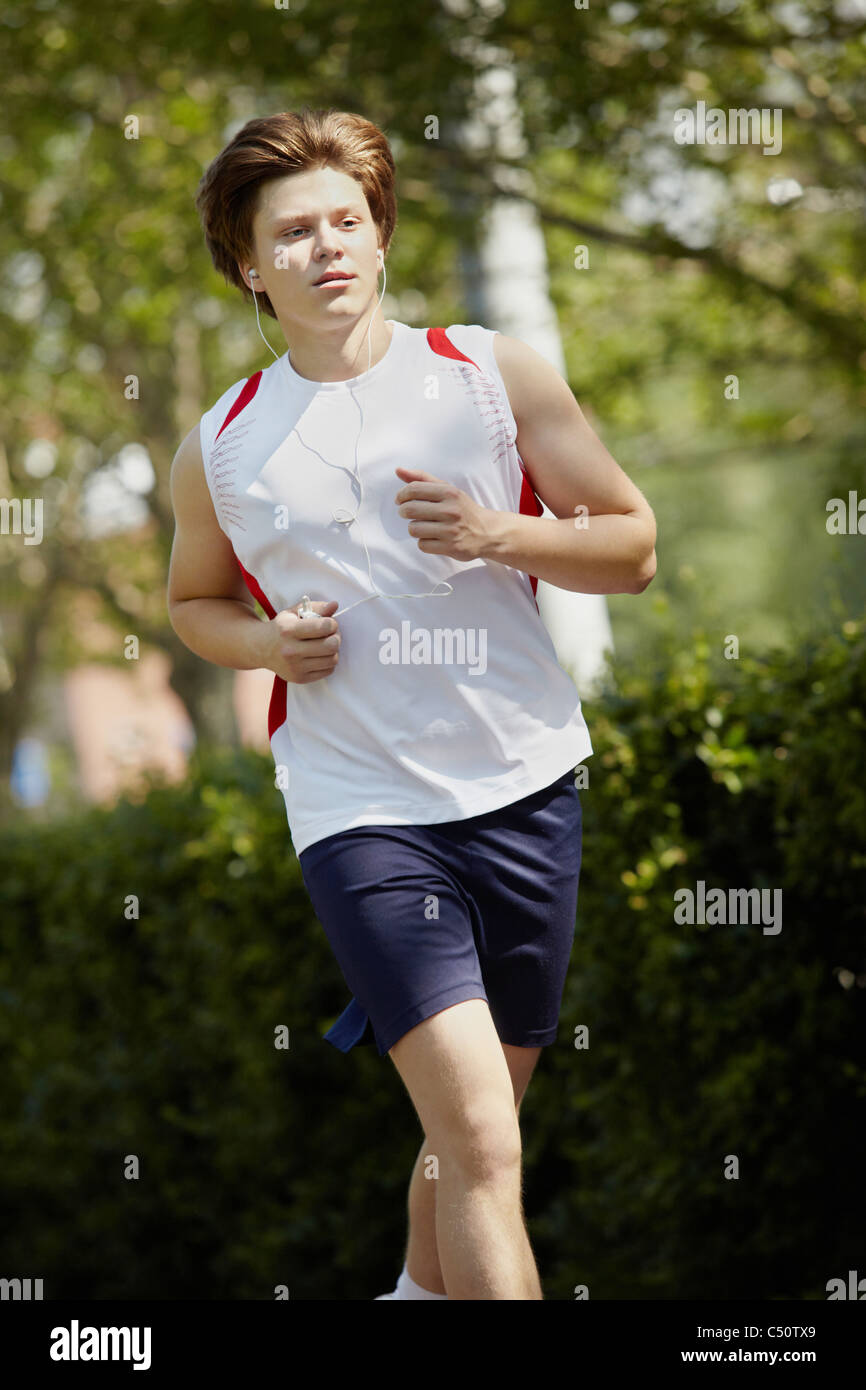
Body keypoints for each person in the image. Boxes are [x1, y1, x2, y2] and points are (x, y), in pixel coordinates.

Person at [167, 107, 657, 1300]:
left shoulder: (487, 373)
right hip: (360, 810)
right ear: (249, 265)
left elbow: (632, 543)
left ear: (380, 238)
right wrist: (269, 645)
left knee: (467, 1134)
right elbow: (191, 603)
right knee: (484, 1141)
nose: (327, 246)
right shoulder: (220, 446)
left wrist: (502, 531)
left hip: (526, 783)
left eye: (348, 220)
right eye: (293, 232)